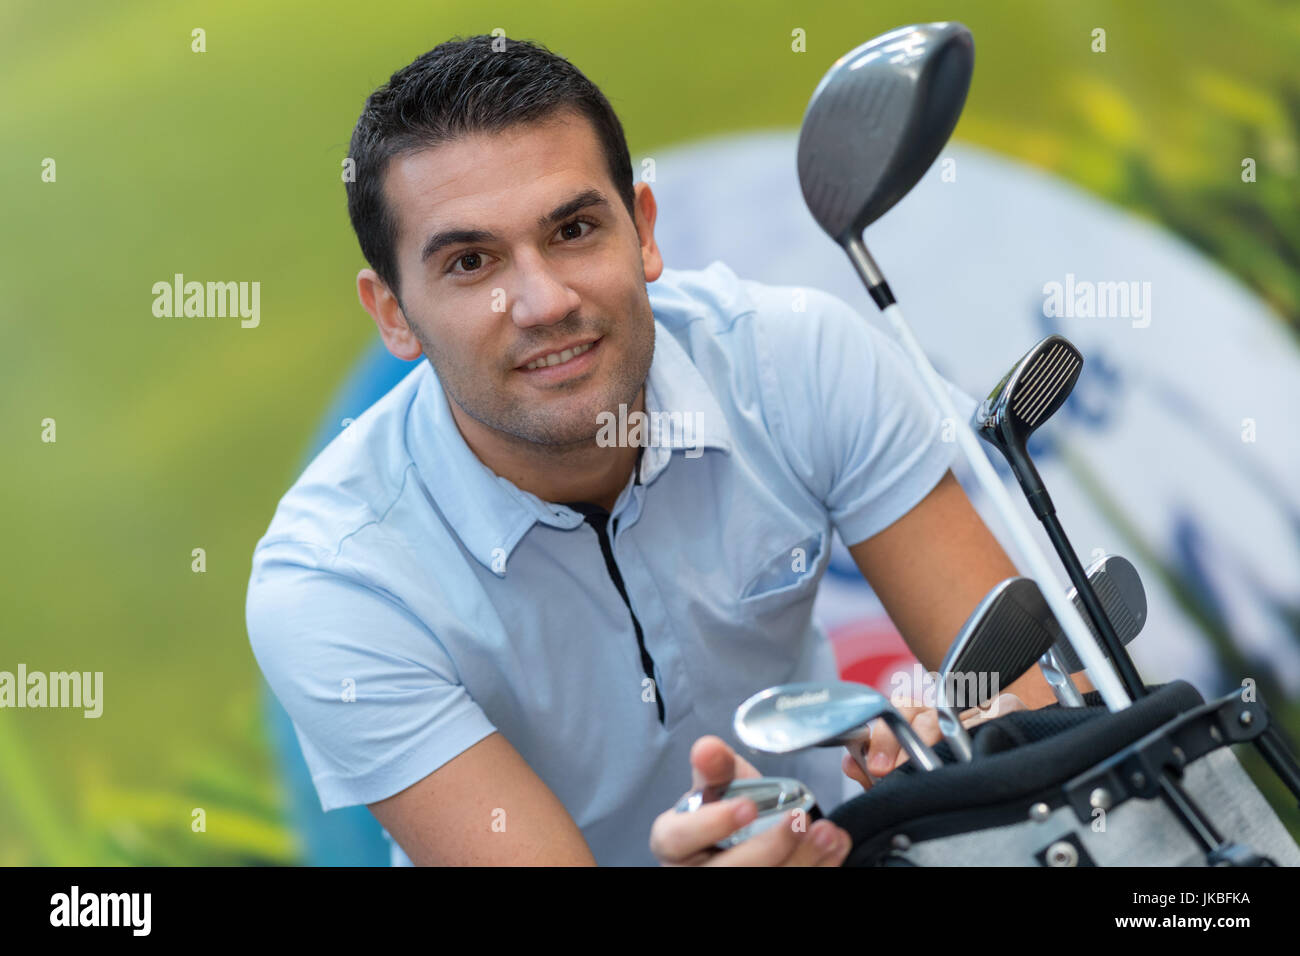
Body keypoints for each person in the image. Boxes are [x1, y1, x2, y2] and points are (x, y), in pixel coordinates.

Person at [245, 33, 1064, 867]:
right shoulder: (337, 580)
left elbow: (1035, 712)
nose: (542, 301)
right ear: (392, 313)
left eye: (572, 229)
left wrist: (964, 746)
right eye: (470, 261)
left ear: (641, 230)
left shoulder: (795, 360)